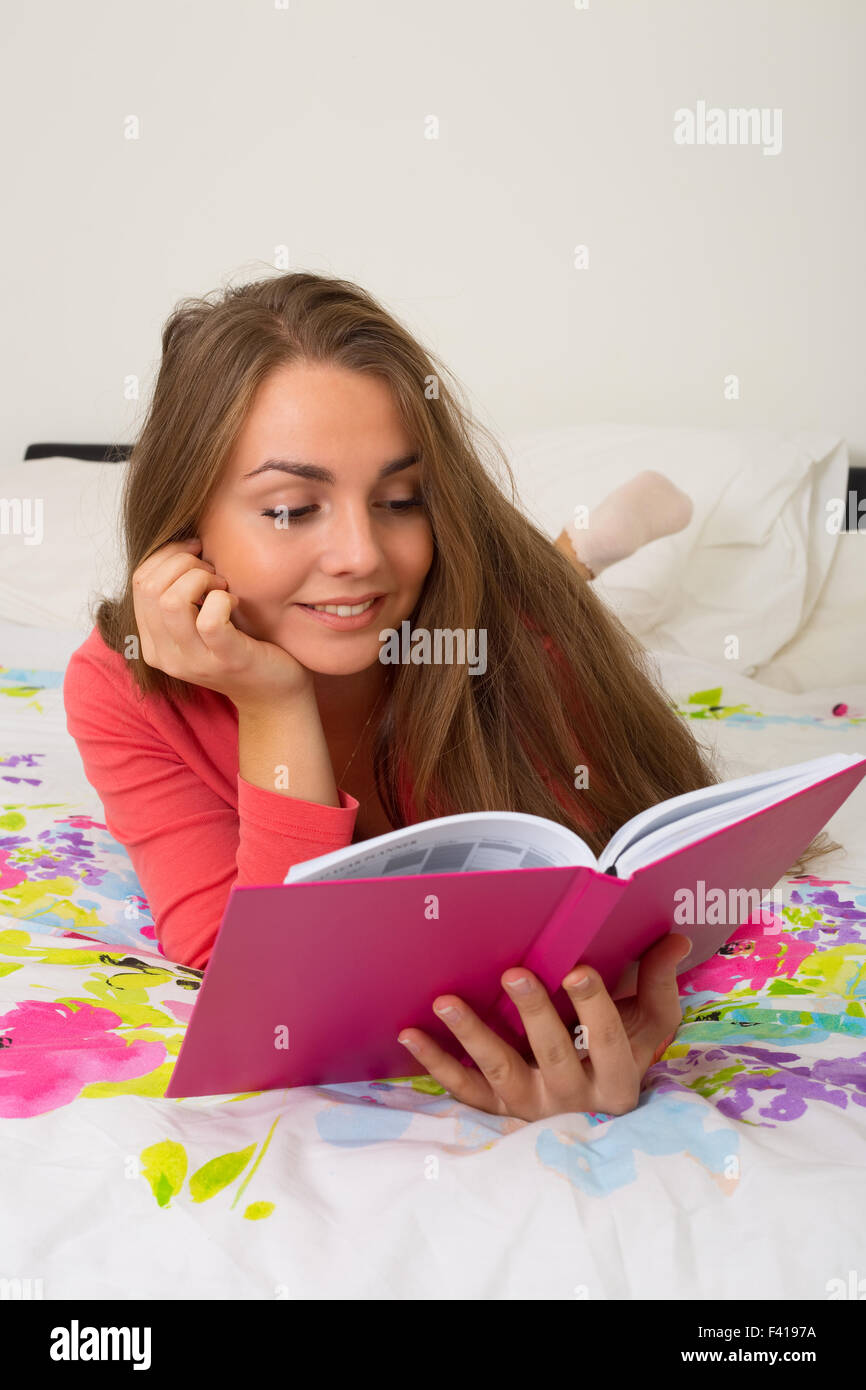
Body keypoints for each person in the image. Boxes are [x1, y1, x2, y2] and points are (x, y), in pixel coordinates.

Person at [62, 272, 730, 1121]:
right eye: (293, 508)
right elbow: (254, 973)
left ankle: (576, 553)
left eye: (399, 499)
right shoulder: (116, 682)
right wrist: (274, 703)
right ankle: (578, 546)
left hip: (497, 611)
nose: (361, 554)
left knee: (538, 595)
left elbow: (600, 888)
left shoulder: (503, 632)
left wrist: (598, 1030)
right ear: (189, 523)